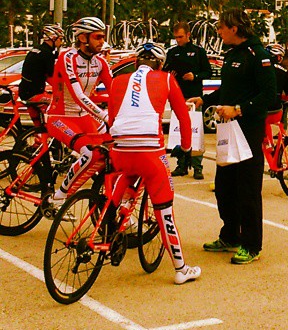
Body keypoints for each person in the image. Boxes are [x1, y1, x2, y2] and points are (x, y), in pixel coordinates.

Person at [108, 42, 200, 285]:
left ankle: (112, 217)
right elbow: (183, 116)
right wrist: (187, 148)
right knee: (164, 207)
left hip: (119, 147)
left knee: (126, 172)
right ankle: (181, 269)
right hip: (150, 151)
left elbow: (112, 117)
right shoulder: (167, 79)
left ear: (136, 62)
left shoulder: (118, 81)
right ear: (160, 64)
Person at [199, 8, 276, 265]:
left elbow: (268, 95)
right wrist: (204, 100)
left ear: (234, 28)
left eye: (221, 27)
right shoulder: (232, 54)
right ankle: (230, 234)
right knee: (224, 187)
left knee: (248, 189)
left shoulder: (259, 56)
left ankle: (251, 244)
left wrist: (240, 110)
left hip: (248, 131)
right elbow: (227, 90)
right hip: (227, 130)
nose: (219, 31)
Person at [46, 17, 113, 206]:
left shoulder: (100, 62)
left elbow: (116, 91)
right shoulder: (67, 58)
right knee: (90, 154)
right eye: (98, 37)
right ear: (83, 38)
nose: (102, 41)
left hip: (85, 117)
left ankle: (111, 202)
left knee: (111, 152)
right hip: (60, 116)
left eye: (103, 37)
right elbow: (78, 96)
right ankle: (59, 196)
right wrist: (106, 116)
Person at [164, 21, 212, 180]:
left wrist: (195, 76)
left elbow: (208, 72)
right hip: (177, 96)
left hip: (193, 98)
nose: (178, 40)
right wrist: (170, 73)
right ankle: (181, 164)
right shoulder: (172, 52)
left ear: (188, 35)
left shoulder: (198, 52)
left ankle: (197, 166)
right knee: (178, 132)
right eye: (176, 37)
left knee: (195, 132)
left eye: (181, 37)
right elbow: (164, 71)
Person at [18, 24, 64, 126]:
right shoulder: (47, 54)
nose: (61, 42)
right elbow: (51, 78)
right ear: (53, 38)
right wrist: (65, 89)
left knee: (39, 124)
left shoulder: (35, 49)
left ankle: (39, 139)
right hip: (35, 93)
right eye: (60, 39)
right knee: (59, 108)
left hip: (25, 92)